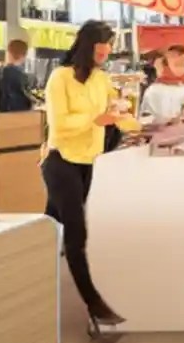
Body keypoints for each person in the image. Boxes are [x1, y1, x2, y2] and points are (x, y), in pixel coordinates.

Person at [42, 20, 138, 326]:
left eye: (110, 44)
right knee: (76, 232)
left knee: (50, 227)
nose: (107, 50)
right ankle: (93, 302)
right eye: (103, 43)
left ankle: (33, 289)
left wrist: (149, 127)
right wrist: (96, 119)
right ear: (88, 44)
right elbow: (59, 125)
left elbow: (119, 115)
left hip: (89, 163)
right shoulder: (61, 78)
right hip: (61, 161)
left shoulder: (101, 79)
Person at [0, 39, 35, 112]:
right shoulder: (19, 75)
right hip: (15, 118)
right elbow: (19, 103)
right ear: (24, 55)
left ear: (8, 52)